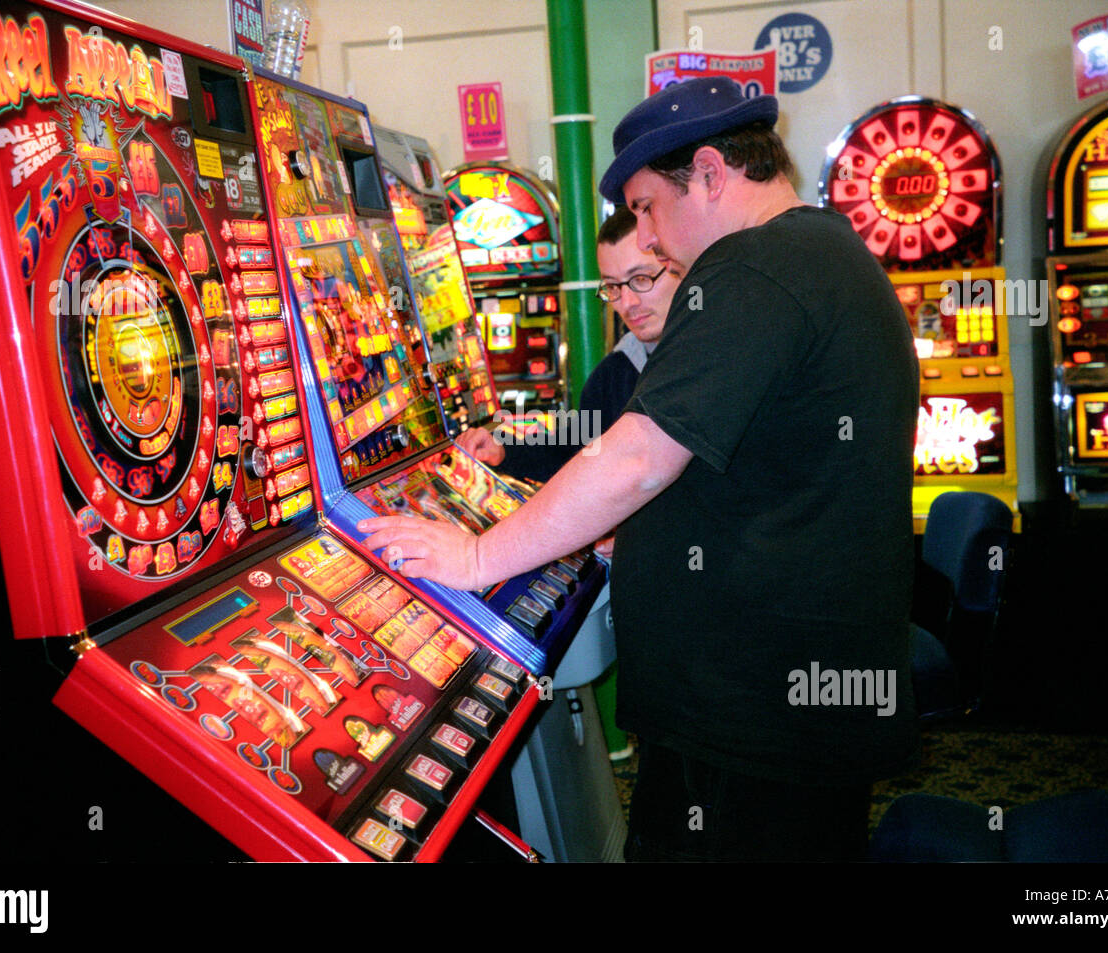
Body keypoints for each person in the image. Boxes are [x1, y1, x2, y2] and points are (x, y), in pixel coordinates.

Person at [361, 78, 920, 861]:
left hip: (754, 716)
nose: (651, 237)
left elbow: (636, 456)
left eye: (650, 206)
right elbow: (762, 465)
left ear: (712, 173)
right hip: (787, 699)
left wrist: (478, 554)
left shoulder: (755, 267)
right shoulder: (820, 253)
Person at [456, 205, 679, 557]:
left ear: (678, 265)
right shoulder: (614, 374)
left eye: (640, 279)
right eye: (613, 288)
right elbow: (581, 447)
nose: (627, 302)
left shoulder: (719, 354)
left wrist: (649, 535)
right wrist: (504, 449)